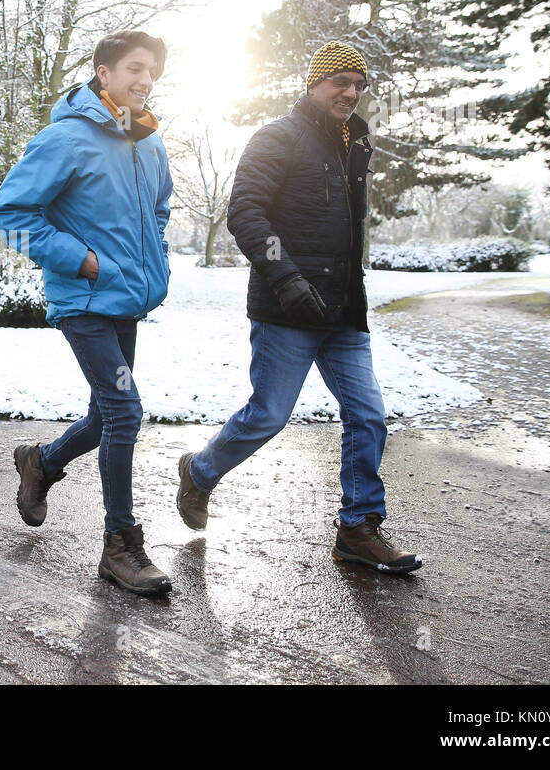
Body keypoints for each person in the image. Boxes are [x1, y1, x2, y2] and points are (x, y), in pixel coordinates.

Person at [174, 41, 422, 573]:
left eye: (359, 85)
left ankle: (358, 528)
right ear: (314, 83)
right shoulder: (277, 137)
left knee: (368, 415)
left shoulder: (356, 144)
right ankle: (199, 472)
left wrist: (351, 294)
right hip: (287, 307)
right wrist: (286, 277)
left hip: (343, 311)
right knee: (268, 415)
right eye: (341, 81)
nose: (351, 92)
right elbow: (246, 213)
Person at [0, 29, 175, 596]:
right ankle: (120, 545)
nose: (145, 80)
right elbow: (11, 213)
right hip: (84, 301)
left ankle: (41, 462)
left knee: (104, 416)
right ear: (104, 73)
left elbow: (159, 211)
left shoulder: (149, 143)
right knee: (124, 411)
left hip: (126, 300)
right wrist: (84, 261)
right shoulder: (66, 138)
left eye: (152, 72)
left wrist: (155, 256)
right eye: (135, 69)